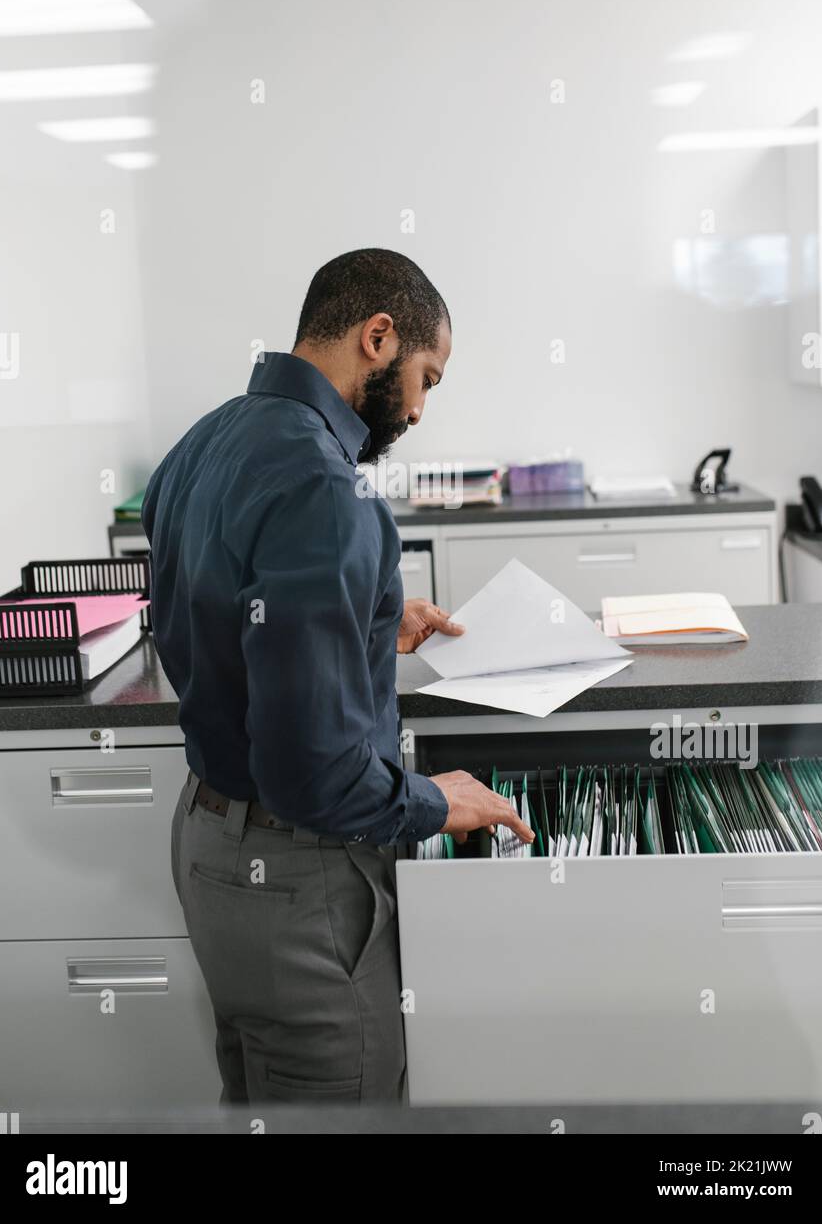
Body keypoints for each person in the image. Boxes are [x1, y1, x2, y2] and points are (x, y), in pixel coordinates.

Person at [141, 248, 533, 1105]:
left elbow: (214, 616)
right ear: (379, 337)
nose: (423, 408)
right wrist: (437, 803)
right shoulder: (327, 489)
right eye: (428, 376)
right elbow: (312, 770)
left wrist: (364, 621)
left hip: (209, 845)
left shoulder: (203, 442)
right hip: (297, 874)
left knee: (255, 1101)